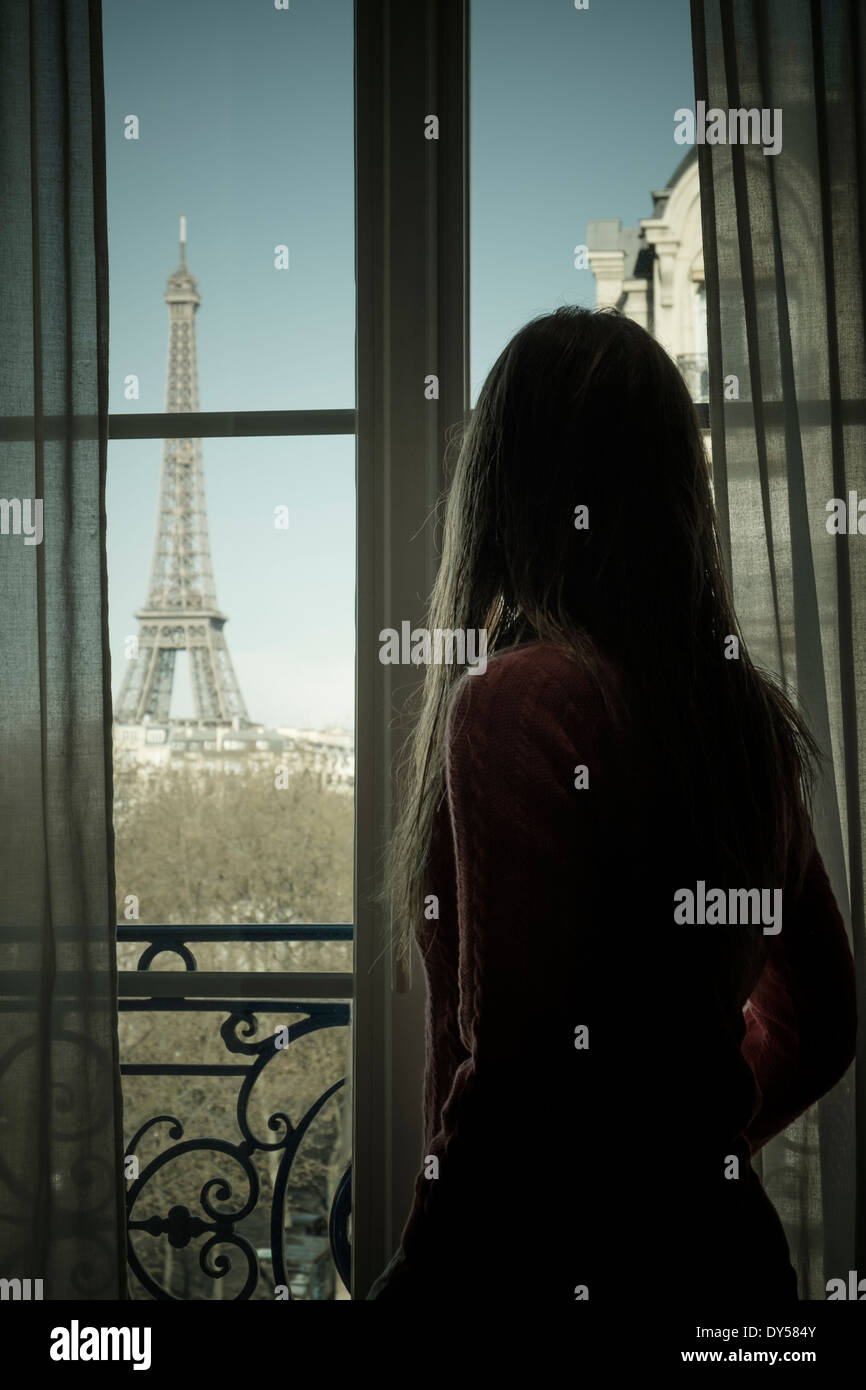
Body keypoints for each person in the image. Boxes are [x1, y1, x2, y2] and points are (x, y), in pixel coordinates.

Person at [367, 306, 857, 1303]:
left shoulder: (515, 701)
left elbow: (514, 1079)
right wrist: (685, 1133)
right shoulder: (738, 718)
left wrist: (418, 1272)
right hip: (724, 1262)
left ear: (502, 488)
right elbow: (823, 1022)